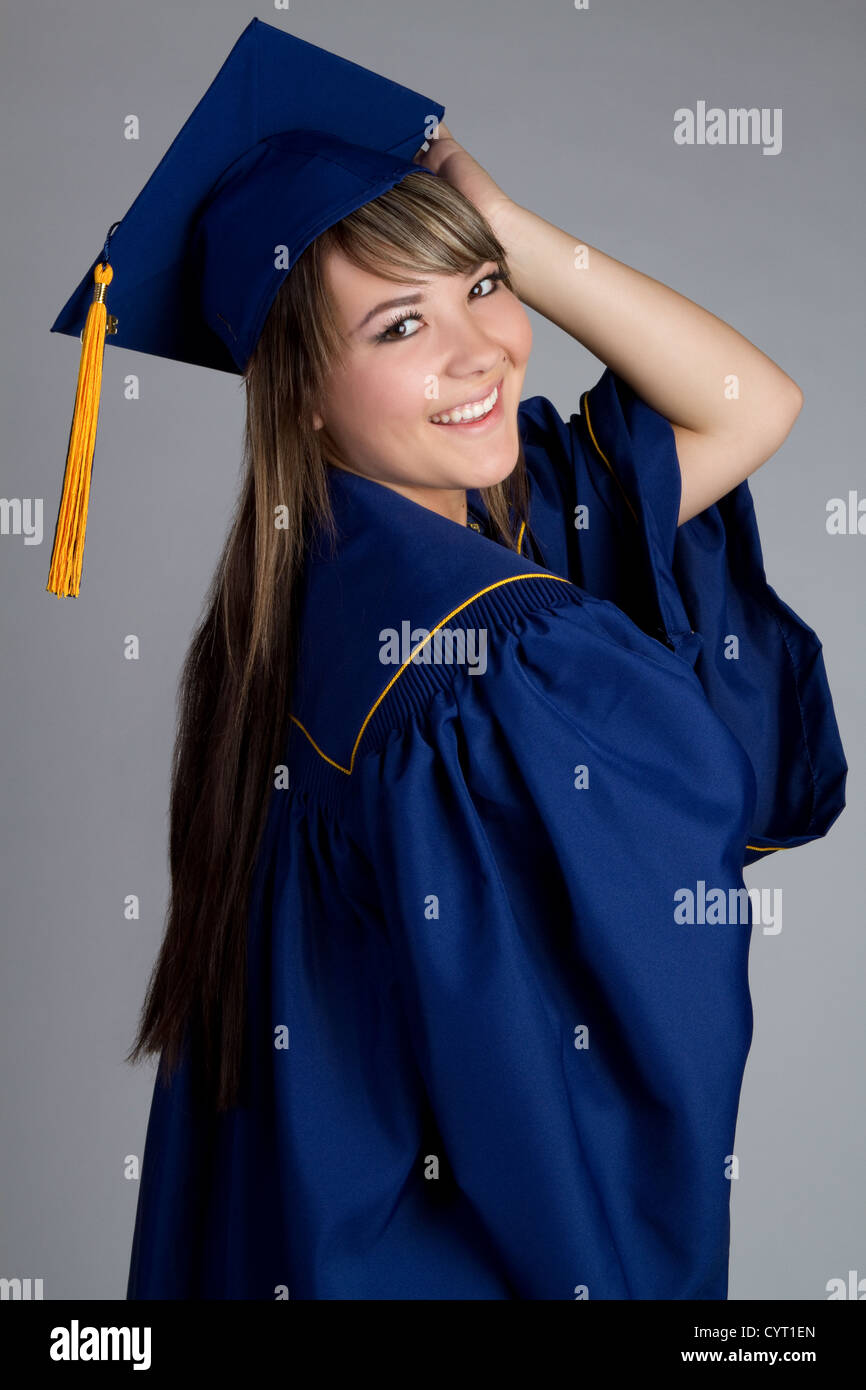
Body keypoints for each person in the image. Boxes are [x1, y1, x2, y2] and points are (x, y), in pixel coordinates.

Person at [49, 20, 846, 1299]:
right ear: (302, 391)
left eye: (485, 291)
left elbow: (749, 404)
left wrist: (505, 232)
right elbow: (571, 1088)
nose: (478, 352)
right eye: (397, 327)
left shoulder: (342, 579)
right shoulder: (472, 657)